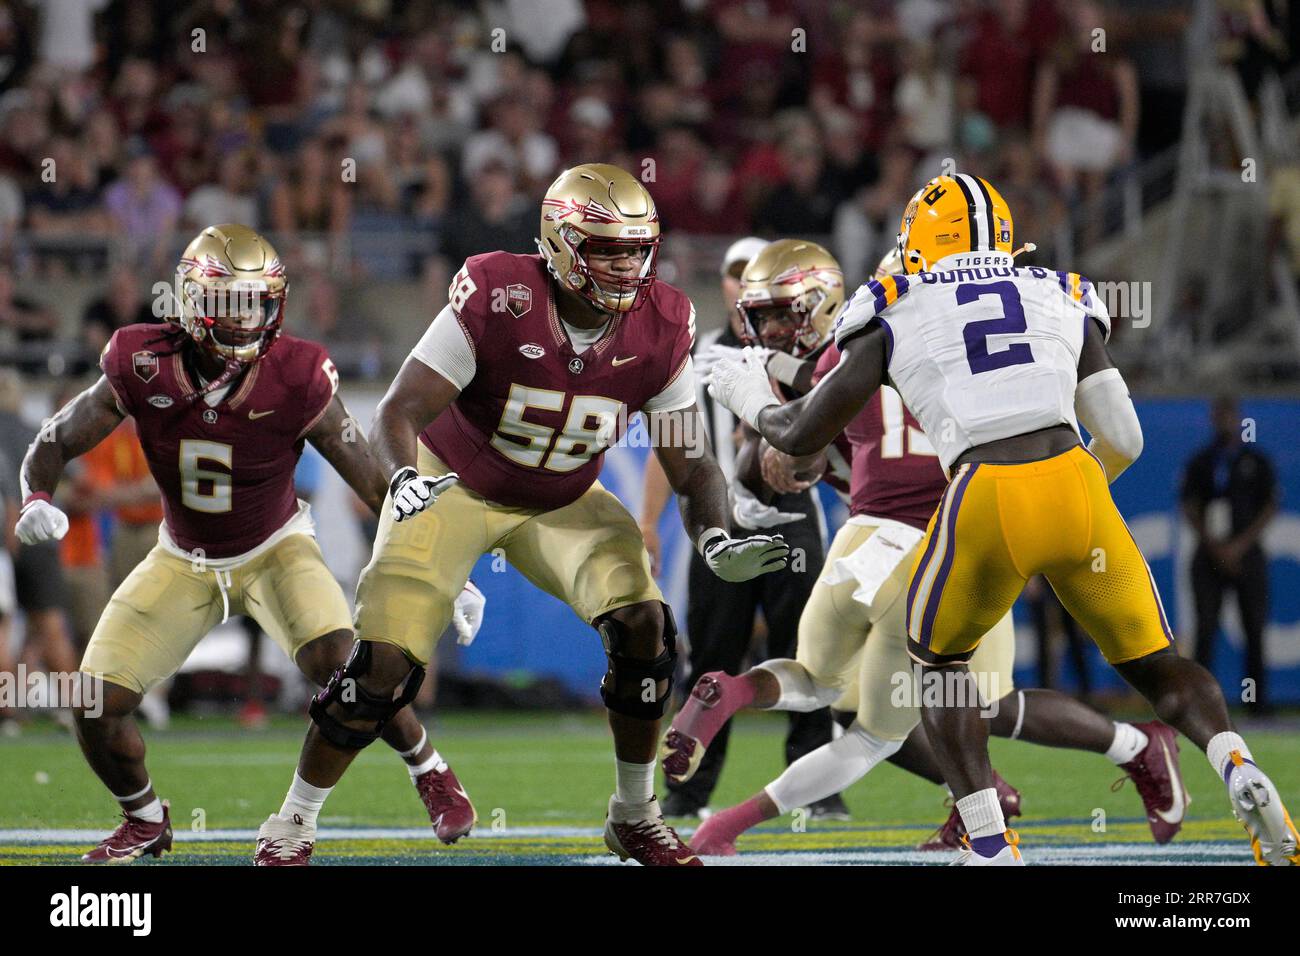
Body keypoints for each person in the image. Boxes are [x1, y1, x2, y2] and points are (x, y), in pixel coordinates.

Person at [705, 174, 1298, 866]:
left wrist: (747, 391)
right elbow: (1127, 439)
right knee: (1162, 668)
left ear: (922, 242)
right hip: (1077, 481)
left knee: (939, 668)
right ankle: (1237, 766)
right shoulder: (1058, 292)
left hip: (986, 488)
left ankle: (988, 841)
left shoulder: (893, 304)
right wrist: (1066, 497)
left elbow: (803, 432)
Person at [266, 164, 790, 867]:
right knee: (381, 667)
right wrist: (401, 482)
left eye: (638, 248)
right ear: (560, 241)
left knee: (646, 627)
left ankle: (634, 814)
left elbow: (692, 465)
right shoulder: (496, 292)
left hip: (564, 498)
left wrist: (718, 533)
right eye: (607, 248)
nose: (626, 264)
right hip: (453, 484)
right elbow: (400, 410)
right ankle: (293, 821)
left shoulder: (663, 324)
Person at [679, 242, 1185, 855]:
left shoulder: (860, 348)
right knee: (944, 704)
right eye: (765, 317)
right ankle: (1005, 794)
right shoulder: (920, 343)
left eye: (785, 313)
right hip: (956, 535)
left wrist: (767, 439)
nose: (774, 330)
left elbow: (793, 440)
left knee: (876, 699)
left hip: (895, 540)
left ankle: (987, 798)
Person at [17, 224, 481, 864]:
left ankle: (428, 767)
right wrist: (37, 494)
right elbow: (56, 438)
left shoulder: (296, 374)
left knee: (345, 667)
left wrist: (443, 565)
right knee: (94, 706)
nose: (245, 319)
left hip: (275, 549)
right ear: (189, 301)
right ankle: (146, 819)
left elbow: (376, 482)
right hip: (183, 557)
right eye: (229, 301)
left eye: (257, 301)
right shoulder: (141, 360)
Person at [641, 236, 841, 820]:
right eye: (735, 272)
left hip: (795, 517)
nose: (744, 284)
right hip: (722, 523)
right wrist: (649, 519)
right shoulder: (699, 352)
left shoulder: (818, 349)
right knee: (712, 655)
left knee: (808, 653)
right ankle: (690, 790)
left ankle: (817, 785)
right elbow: (672, 443)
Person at [1181, 395, 1279, 714]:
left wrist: (1239, 546)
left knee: (1253, 627)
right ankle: (1202, 704)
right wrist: (1214, 545)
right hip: (1209, 554)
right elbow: (1190, 506)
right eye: (1217, 416)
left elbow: (1270, 505)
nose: (1223, 422)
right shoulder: (1202, 461)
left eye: (1228, 416)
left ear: (1239, 419)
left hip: (1247, 553)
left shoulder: (1255, 460)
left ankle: (1256, 704)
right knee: (1206, 628)